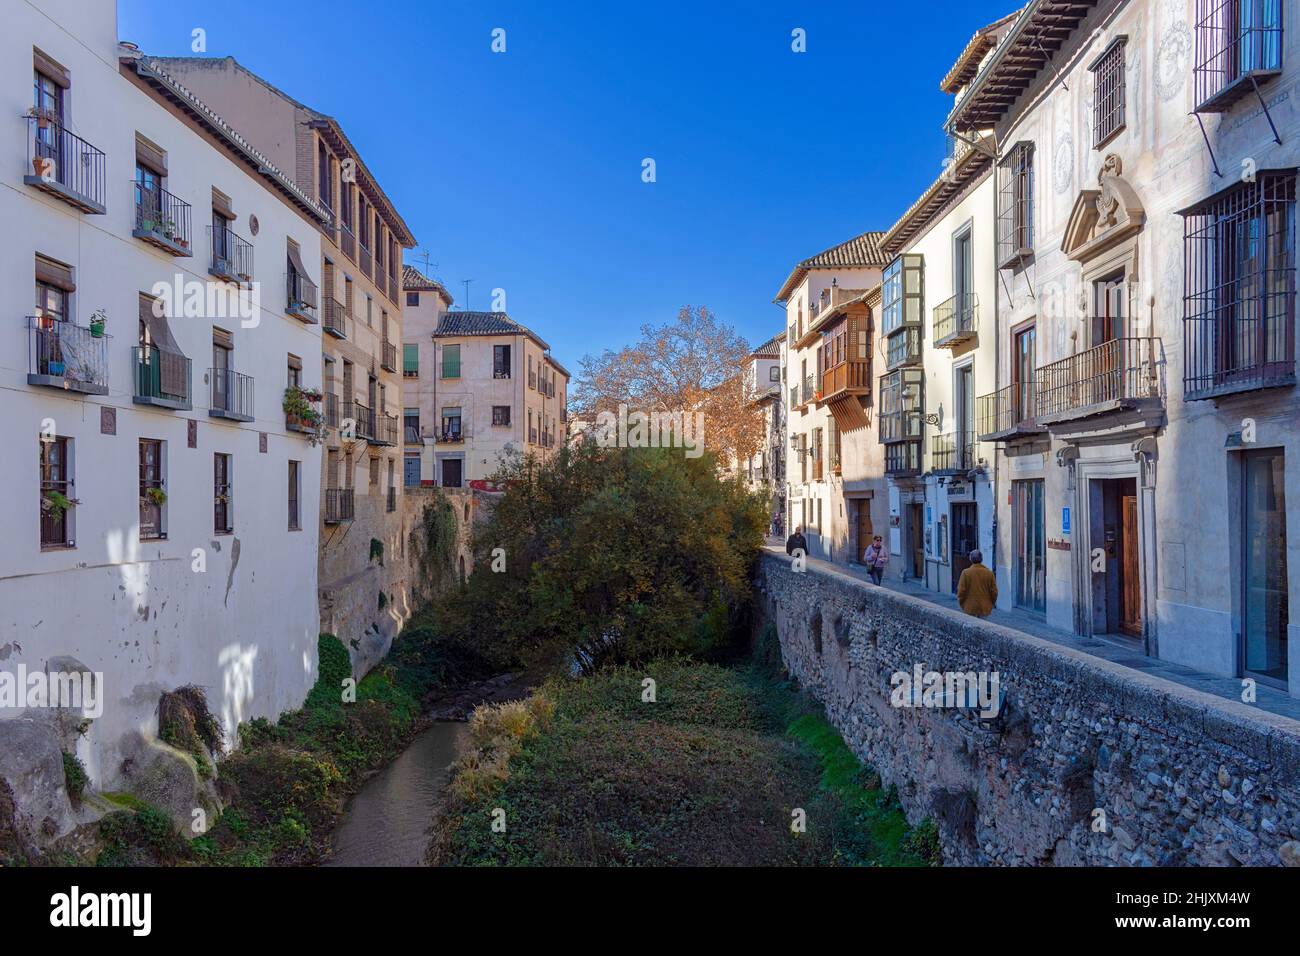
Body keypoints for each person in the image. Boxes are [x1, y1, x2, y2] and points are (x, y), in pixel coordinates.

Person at [957, 549, 998, 617]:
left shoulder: (966, 573)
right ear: (981, 559)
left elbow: (961, 591)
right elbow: (994, 592)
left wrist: (963, 604)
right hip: (985, 608)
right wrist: (991, 603)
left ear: (970, 559)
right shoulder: (989, 573)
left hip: (969, 607)